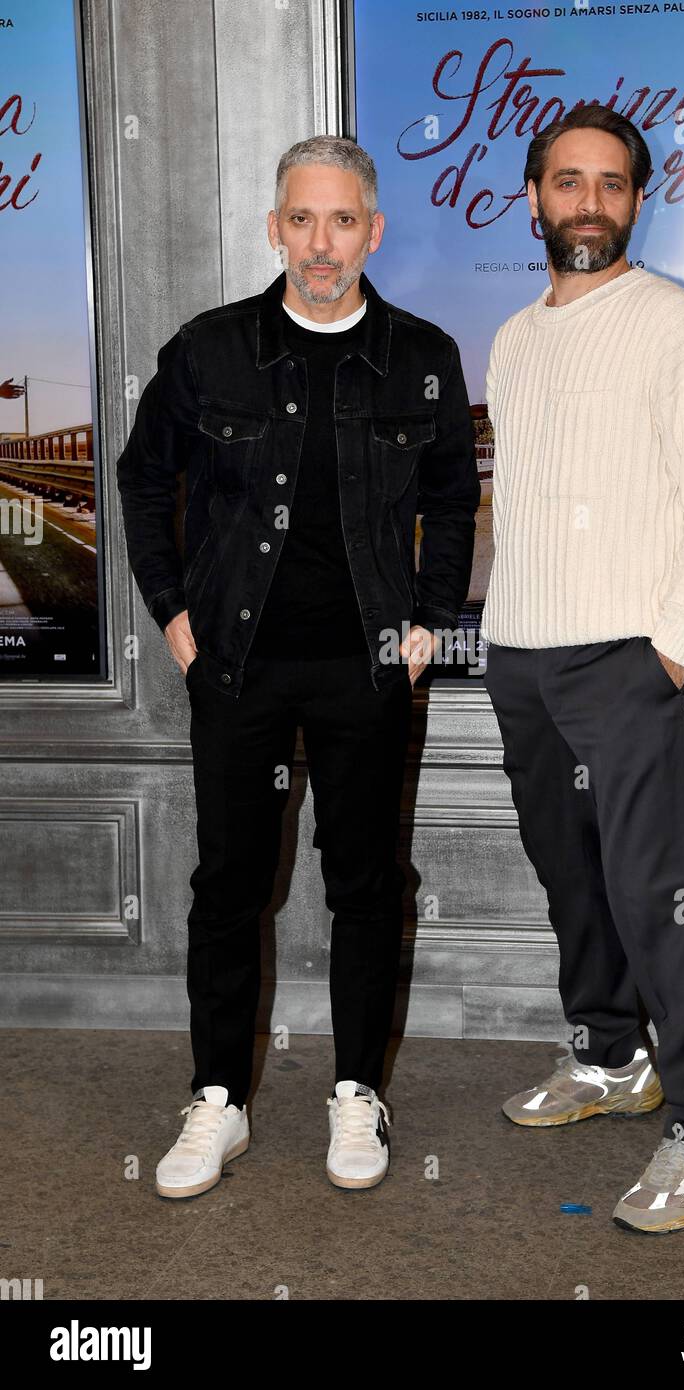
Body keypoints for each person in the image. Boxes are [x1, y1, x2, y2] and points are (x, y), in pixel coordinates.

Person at [116, 135, 479, 1198]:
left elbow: (452, 497)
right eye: (302, 220)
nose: (321, 245)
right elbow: (143, 484)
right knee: (230, 885)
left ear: (371, 228)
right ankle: (217, 1098)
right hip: (235, 666)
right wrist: (175, 619)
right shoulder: (209, 349)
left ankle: (358, 1088)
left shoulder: (422, 353)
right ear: (275, 227)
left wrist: (424, 625)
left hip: (367, 669)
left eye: (342, 221)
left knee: (365, 885)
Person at [481, 107, 684, 1234]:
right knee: (574, 882)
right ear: (533, 196)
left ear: (635, 201)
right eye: (566, 182)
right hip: (523, 655)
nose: (587, 201)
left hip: (629, 661)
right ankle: (607, 1057)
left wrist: (671, 642)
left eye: (609, 184)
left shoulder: (673, 323)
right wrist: (504, 640)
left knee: (661, 902)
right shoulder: (509, 337)